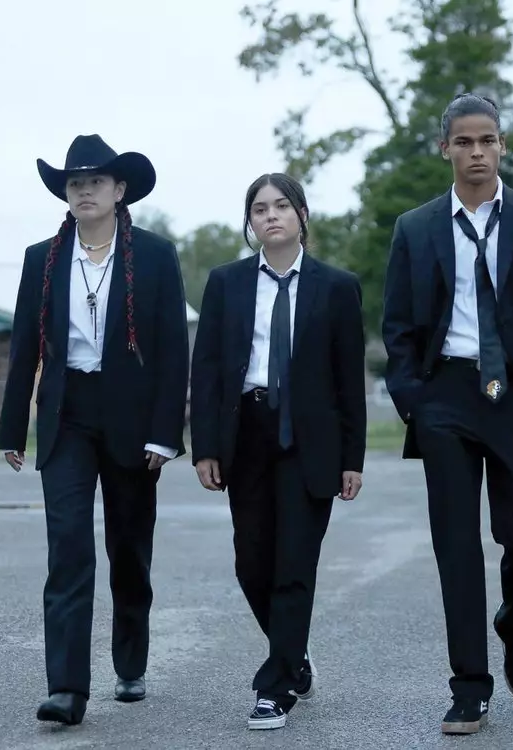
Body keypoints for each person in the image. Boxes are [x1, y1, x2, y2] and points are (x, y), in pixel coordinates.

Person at [381, 93, 513, 735]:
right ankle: (469, 685)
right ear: (445, 148)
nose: (476, 152)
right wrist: (413, 397)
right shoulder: (415, 228)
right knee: (456, 547)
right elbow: (398, 326)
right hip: (446, 395)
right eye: (463, 142)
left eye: (487, 140)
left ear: (502, 146)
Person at [0, 134, 190, 726]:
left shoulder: (155, 255)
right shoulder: (43, 258)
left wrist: (165, 434)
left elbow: (171, 349)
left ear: (118, 190)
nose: (84, 190)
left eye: (95, 182)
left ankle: (130, 661)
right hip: (67, 415)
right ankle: (67, 688)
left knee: (128, 549)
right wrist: (12, 428)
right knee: (69, 550)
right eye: (74, 183)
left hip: (131, 417)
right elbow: (25, 344)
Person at [189, 172, 367, 730]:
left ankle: (276, 684)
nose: (271, 216)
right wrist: (205, 447)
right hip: (248, 435)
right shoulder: (226, 283)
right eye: (260, 208)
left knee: (295, 563)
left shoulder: (337, 287)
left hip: (311, 441)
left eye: (282, 206)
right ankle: (293, 651)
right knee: (252, 560)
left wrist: (352, 457)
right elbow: (210, 369)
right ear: (251, 222)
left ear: (302, 216)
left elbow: (348, 379)